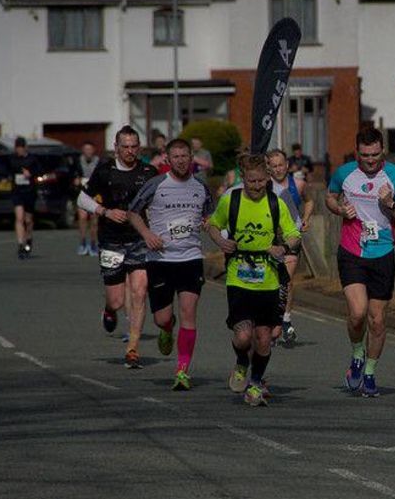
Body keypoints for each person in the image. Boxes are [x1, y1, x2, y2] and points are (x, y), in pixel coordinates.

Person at [325, 127, 395, 397]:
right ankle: (357, 354)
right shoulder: (345, 173)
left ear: (382, 151)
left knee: (377, 320)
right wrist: (340, 208)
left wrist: (389, 205)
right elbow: (330, 196)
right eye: (365, 156)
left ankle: (371, 372)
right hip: (352, 251)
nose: (370, 160)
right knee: (358, 313)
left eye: (375, 155)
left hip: (383, 253)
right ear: (357, 153)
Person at [208, 153, 300, 406]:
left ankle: (256, 383)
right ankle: (241, 361)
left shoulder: (276, 203)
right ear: (243, 179)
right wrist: (221, 241)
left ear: (268, 178)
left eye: (261, 181)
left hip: (268, 280)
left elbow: (294, 234)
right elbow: (213, 224)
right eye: (251, 182)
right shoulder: (232, 200)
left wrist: (282, 246)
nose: (256, 186)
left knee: (263, 338)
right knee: (243, 337)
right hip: (239, 278)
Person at [128, 138, 214, 390]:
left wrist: (209, 223)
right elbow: (133, 212)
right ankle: (166, 329)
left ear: (191, 158)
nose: (180, 160)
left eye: (184, 156)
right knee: (162, 318)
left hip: (190, 258)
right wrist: (147, 235)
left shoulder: (201, 186)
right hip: (160, 260)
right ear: (167, 159)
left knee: (189, 314)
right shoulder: (156, 185)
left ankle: (182, 370)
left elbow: (211, 214)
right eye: (175, 156)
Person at [76, 125, 159, 368]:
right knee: (116, 300)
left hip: (138, 240)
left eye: (135, 147)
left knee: (139, 291)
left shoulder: (148, 171)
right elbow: (82, 198)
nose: (130, 151)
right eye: (126, 147)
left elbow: (157, 203)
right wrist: (105, 211)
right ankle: (109, 310)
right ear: (116, 147)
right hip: (111, 240)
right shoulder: (104, 171)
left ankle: (132, 348)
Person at [266, 148, 315, 345]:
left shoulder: (299, 184)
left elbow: (310, 200)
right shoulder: (264, 186)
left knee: (285, 280)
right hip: (270, 239)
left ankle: (284, 319)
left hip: (291, 238)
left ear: (287, 165)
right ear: (268, 168)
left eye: (281, 165)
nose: (278, 169)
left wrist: (305, 218)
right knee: (270, 281)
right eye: (274, 166)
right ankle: (269, 321)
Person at [9, 137, 41, 259]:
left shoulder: (32, 159)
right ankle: (20, 244)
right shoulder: (12, 159)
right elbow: (6, 170)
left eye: (22, 147)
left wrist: (31, 173)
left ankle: (29, 239)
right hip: (17, 192)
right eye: (18, 147)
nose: (20, 150)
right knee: (19, 218)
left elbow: (40, 171)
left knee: (28, 220)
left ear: (25, 147)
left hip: (29, 192)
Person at [74, 141, 101, 256]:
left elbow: (102, 177)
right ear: (83, 151)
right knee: (83, 218)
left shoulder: (99, 162)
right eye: (86, 149)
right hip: (83, 193)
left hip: (95, 194)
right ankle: (83, 242)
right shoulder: (78, 162)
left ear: (93, 151)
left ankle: (93, 243)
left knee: (94, 220)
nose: (88, 152)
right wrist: (77, 180)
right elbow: (73, 175)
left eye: (90, 149)